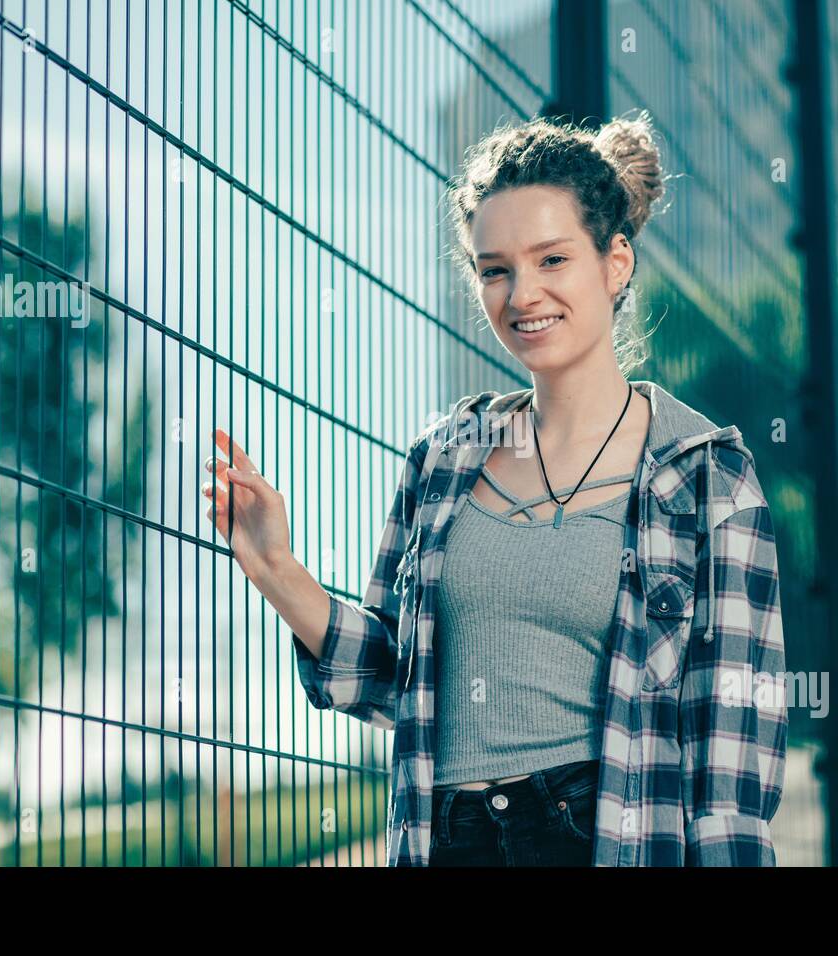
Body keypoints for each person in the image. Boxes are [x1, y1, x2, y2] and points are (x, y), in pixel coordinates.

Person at [201, 111, 787, 867]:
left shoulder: (706, 476)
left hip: (596, 838)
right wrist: (276, 570)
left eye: (552, 260)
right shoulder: (443, 459)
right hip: (446, 839)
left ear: (615, 264)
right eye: (496, 269)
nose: (522, 294)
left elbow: (733, 757)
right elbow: (389, 683)